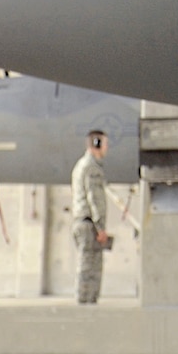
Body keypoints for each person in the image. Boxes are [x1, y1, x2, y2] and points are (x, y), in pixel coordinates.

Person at [70, 130, 110, 306]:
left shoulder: (81, 165)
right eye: (105, 143)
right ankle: (86, 305)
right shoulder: (92, 168)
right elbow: (95, 198)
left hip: (81, 221)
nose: (107, 148)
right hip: (89, 224)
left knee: (86, 266)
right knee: (90, 269)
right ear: (97, 144)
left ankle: (85, 303)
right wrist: (100, 226)